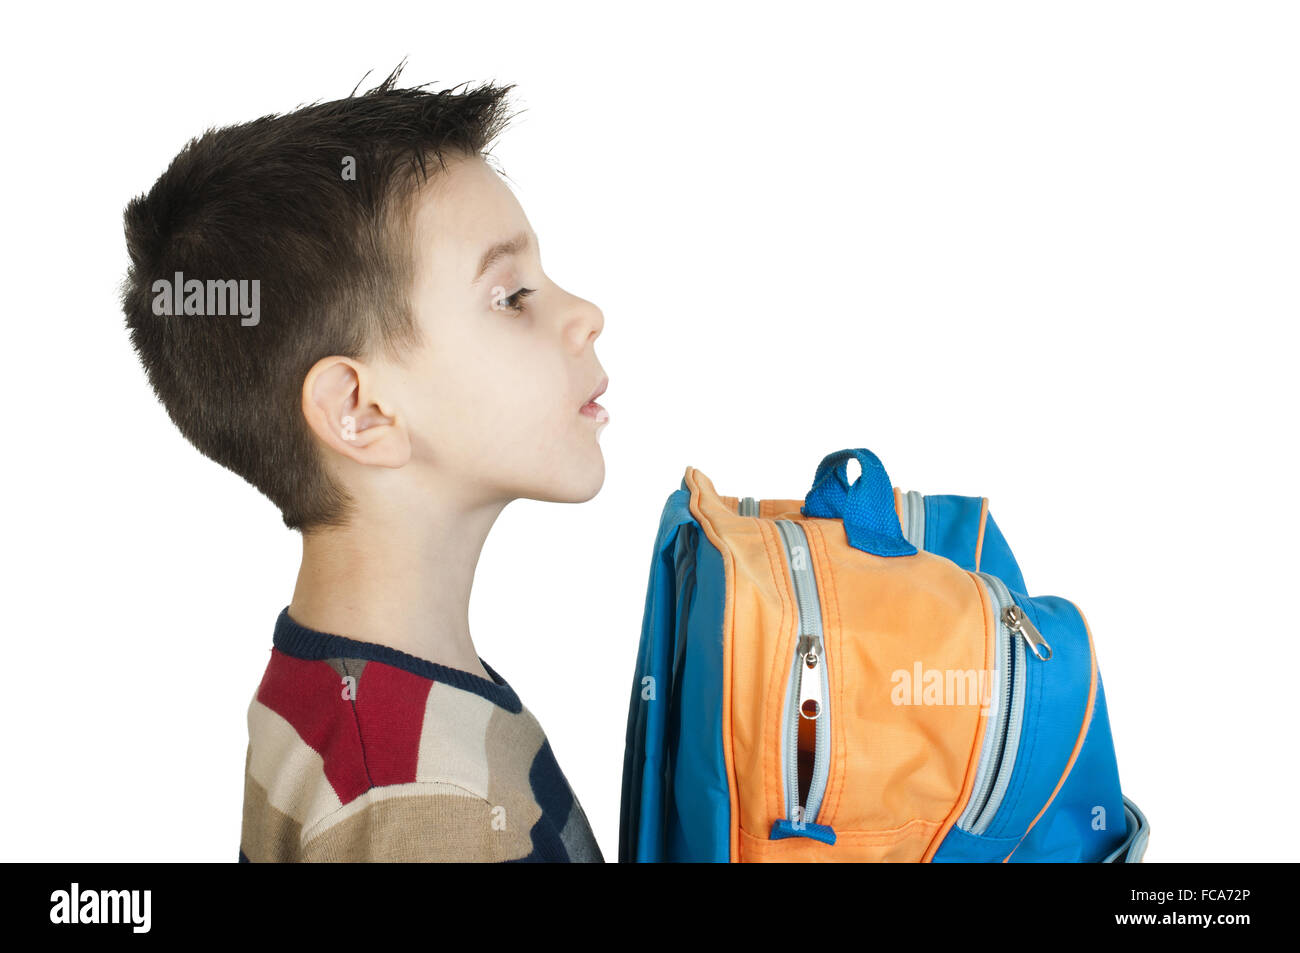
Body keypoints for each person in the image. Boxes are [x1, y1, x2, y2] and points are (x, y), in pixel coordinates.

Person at [119, 64, 608, 861]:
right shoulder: (427, 807)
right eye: (510, 295)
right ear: (361, 409)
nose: (587, 315)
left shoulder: (337, 679)